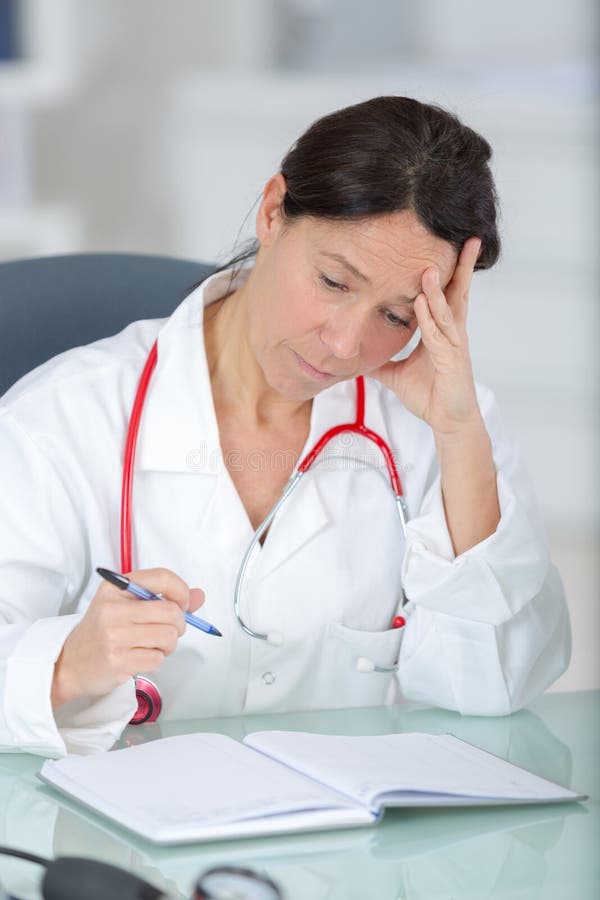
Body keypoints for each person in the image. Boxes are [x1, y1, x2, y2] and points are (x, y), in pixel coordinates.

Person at [0, 96, 570, 757]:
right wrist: (71, 663)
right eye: (333, 280)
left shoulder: (440, 424)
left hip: (352, 852)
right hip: (116, 850)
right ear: (273, 211)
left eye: (398, 316)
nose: (345, 343)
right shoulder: (63, 417)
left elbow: (499, 683)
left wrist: (461, 433)